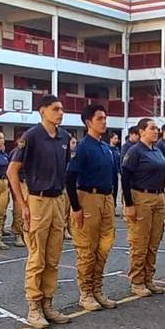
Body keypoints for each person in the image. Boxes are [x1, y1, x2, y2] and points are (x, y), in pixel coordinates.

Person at [8, 95, 73, 329]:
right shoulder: (31, 137)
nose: (60, 113)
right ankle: (33, 307)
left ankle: (48, 303)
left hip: (57, 200)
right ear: (42, 111)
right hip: (37, 200)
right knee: (37, 257)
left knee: (53, 258)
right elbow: (12, 171)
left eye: (62, 109)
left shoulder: (64, 137)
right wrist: (23, 204)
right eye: (55, 109)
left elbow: (64, 171)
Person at [66, 103, 118, 311]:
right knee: (87, 249)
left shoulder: (106, 148)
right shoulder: (84, 147)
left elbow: (113, 176)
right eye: (100, 119)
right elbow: (70, 177)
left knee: (104, 247)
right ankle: (85, 293)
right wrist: (76, 207)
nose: (104, 122)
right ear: (89, 122)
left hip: (106, 200)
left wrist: (112, 201)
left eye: (105, 118)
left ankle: (97, 288)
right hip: (88, 198)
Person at [122, 118, 165, 298]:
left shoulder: (156, 150)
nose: (156, 131)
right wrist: (129, 204)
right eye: (152, 128)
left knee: (154, 241)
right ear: (142, 131)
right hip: (141, 196)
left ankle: (148, 278)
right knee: (140, 242)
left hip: (158, 197)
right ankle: (137, 280)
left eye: (157, 129)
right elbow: (125, 177)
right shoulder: (135, 151)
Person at [8, 136, 29, 246]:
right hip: (20, 182)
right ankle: (18, 233)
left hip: (29, 183)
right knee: (19, 210)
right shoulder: (15, 153)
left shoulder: (31, 151)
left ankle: (25, 233)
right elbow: (11, 171)